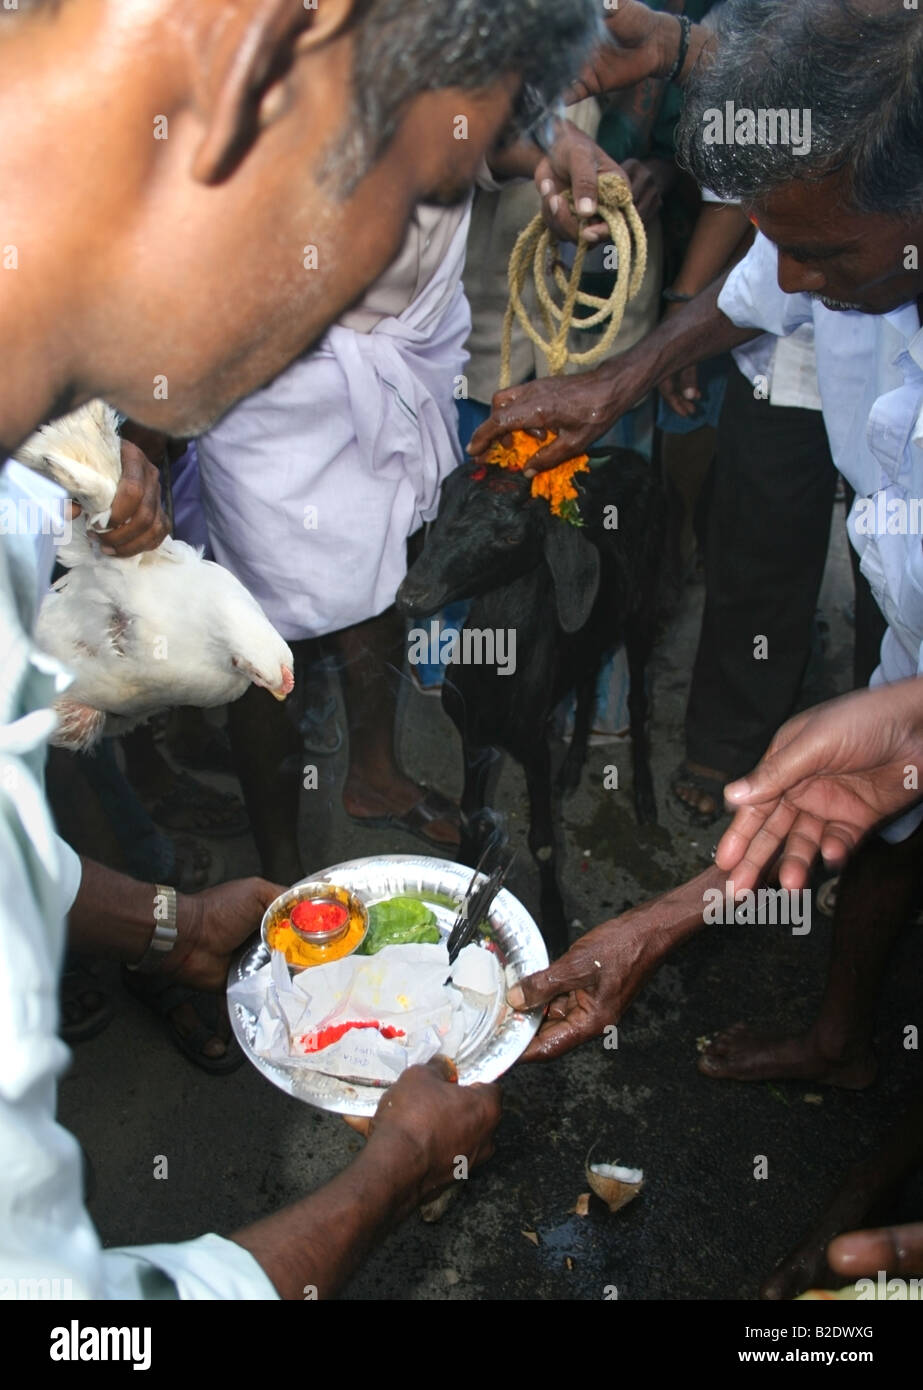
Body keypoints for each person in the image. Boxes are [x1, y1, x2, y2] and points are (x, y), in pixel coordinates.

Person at [0, 0, 600, 1300]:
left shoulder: (30, 492)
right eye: (427, 188)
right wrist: (383, 1180)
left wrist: (163, 922)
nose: (383, 261)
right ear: (264, 50)